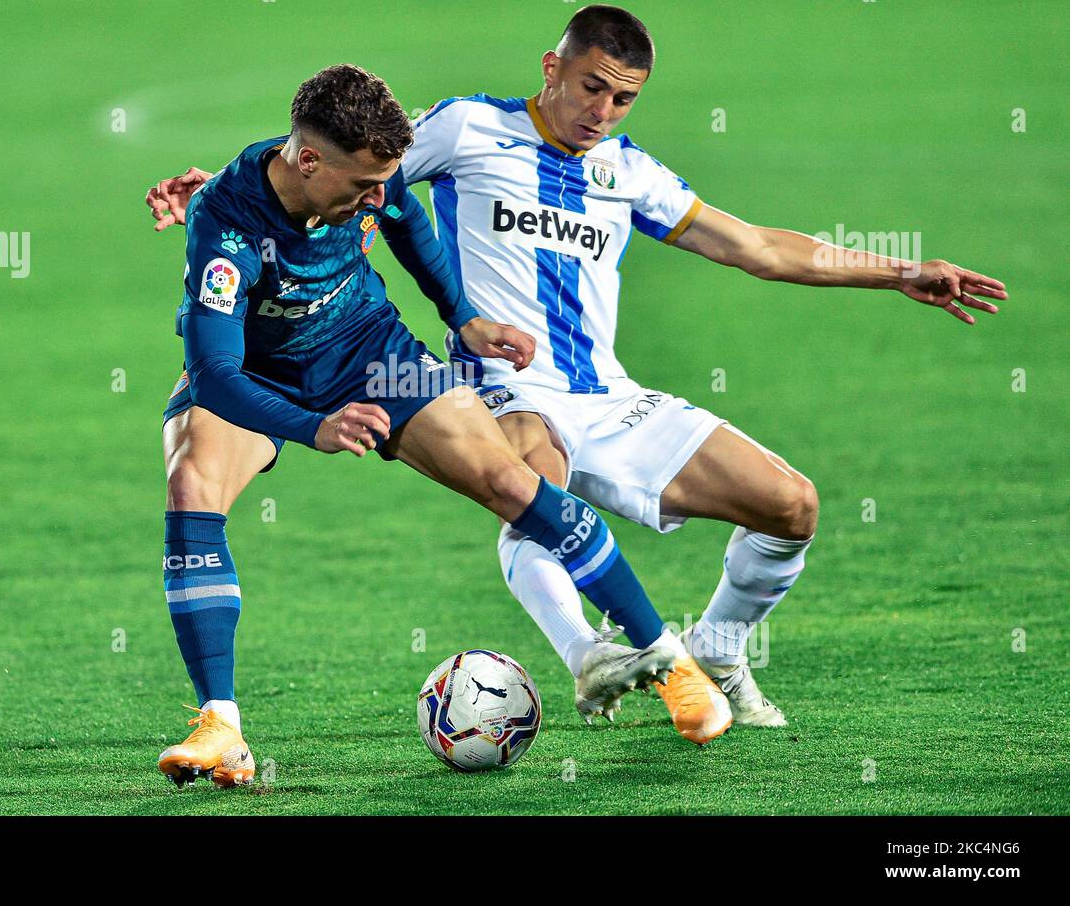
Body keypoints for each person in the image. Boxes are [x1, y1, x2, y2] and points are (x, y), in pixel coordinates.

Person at [151, 63, 729, 788]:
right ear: (307, 160)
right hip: (256, 371)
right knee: (191, 480)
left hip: (369, 353)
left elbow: (408, 222)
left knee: (509, 479)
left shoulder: (372, 176)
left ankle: (667, 661)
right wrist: (314, 425)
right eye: (363, 185)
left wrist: (464, 316)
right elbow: (214, 375)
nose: (376, 195)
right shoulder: (226, 221)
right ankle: (220, 727)